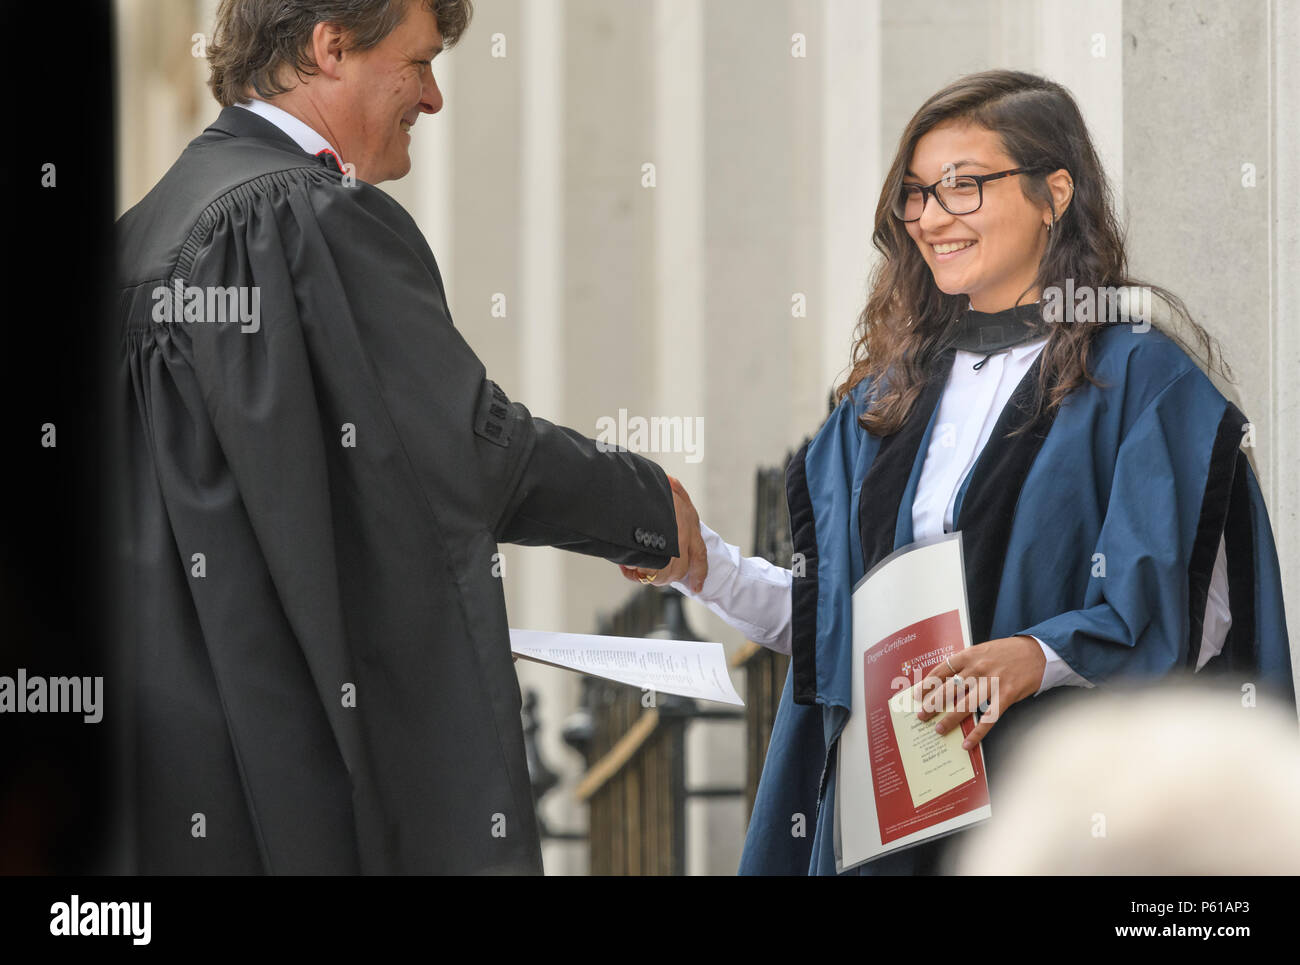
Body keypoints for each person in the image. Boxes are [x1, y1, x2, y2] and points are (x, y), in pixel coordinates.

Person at [624, 69, 1296, 875]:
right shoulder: (884, 405)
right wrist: (707, 569)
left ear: (1054, 193)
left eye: (963, 187)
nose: (931, 218)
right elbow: (842, 635)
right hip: (902, 811)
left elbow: (1199, 621)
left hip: (1057, 811)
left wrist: (1033, 656)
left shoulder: (1142, 385)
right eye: (916, 195)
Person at [115, 0, 705, 874]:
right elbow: (461, 449)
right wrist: (645, 505)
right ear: (330, 46)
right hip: (280, 774)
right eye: (420, 63)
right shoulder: (295, 219)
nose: (433, 99)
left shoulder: (137, 240)